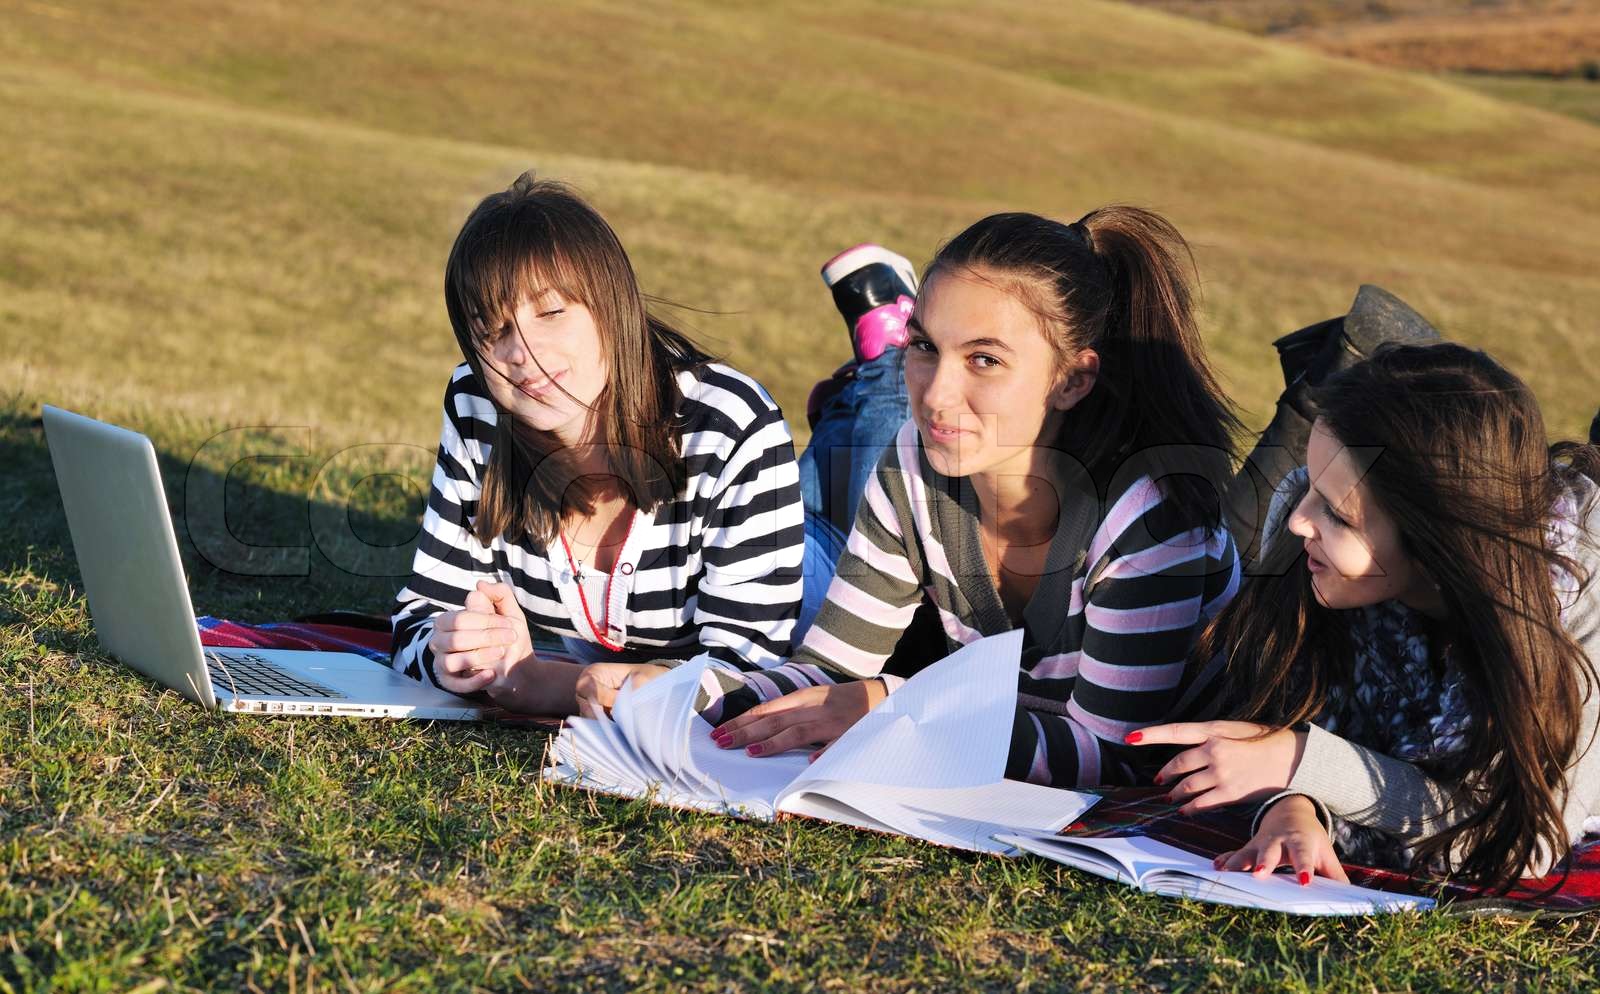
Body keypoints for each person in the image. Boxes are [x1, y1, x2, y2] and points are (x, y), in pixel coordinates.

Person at [594, 207, 1246, 787]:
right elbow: (828, 674)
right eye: (924, 348)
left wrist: (893, 707)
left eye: (984, 359)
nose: (935, 393)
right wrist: (676, 693)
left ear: (1073, 379)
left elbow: (1111, 754)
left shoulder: (1147, 518)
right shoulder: (912, 462)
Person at [1133, 343, 1600, 892]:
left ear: (1436, 547)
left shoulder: (1571, 596)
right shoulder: (1315, 532)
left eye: (1337, 514)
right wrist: (1296, 807)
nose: (1299, 521)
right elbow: (1298, 713)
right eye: (1311, 488)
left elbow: (1526, 837)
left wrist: (1301, 761)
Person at [389, 173, 820, 714]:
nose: (520, 353)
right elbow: (417, 620)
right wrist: (456, 655)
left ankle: (872, 368)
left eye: (550, 312)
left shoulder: (730, 421)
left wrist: (545, 683)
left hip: (812, 557)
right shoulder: (479, 403)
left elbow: (744, 675)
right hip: (624, 645)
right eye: (491, 329)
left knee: (858, 450)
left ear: (611, 307)